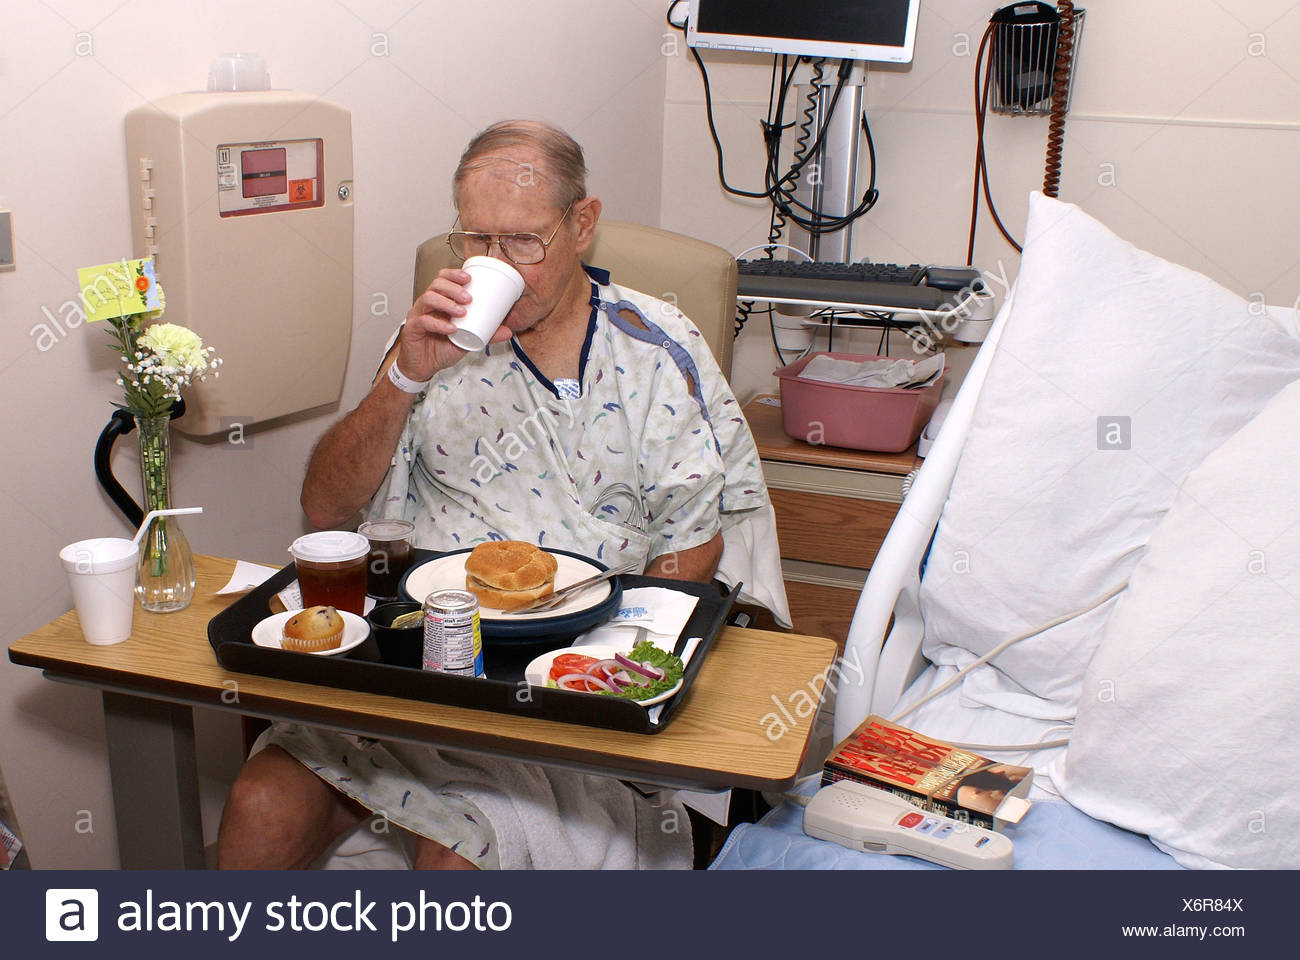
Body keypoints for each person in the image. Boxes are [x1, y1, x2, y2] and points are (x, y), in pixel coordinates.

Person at [217, 120, 779, 870]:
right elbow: (324, 510)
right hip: (415, 673)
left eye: (522, 242)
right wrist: (404, 376)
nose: (494, 264)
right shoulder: (433, 341)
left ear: (582, 224)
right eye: (476, 240)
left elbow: (691, 558)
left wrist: (582, 669)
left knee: (456, 851)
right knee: (260, 805)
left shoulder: (654, 355)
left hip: (561, 695)